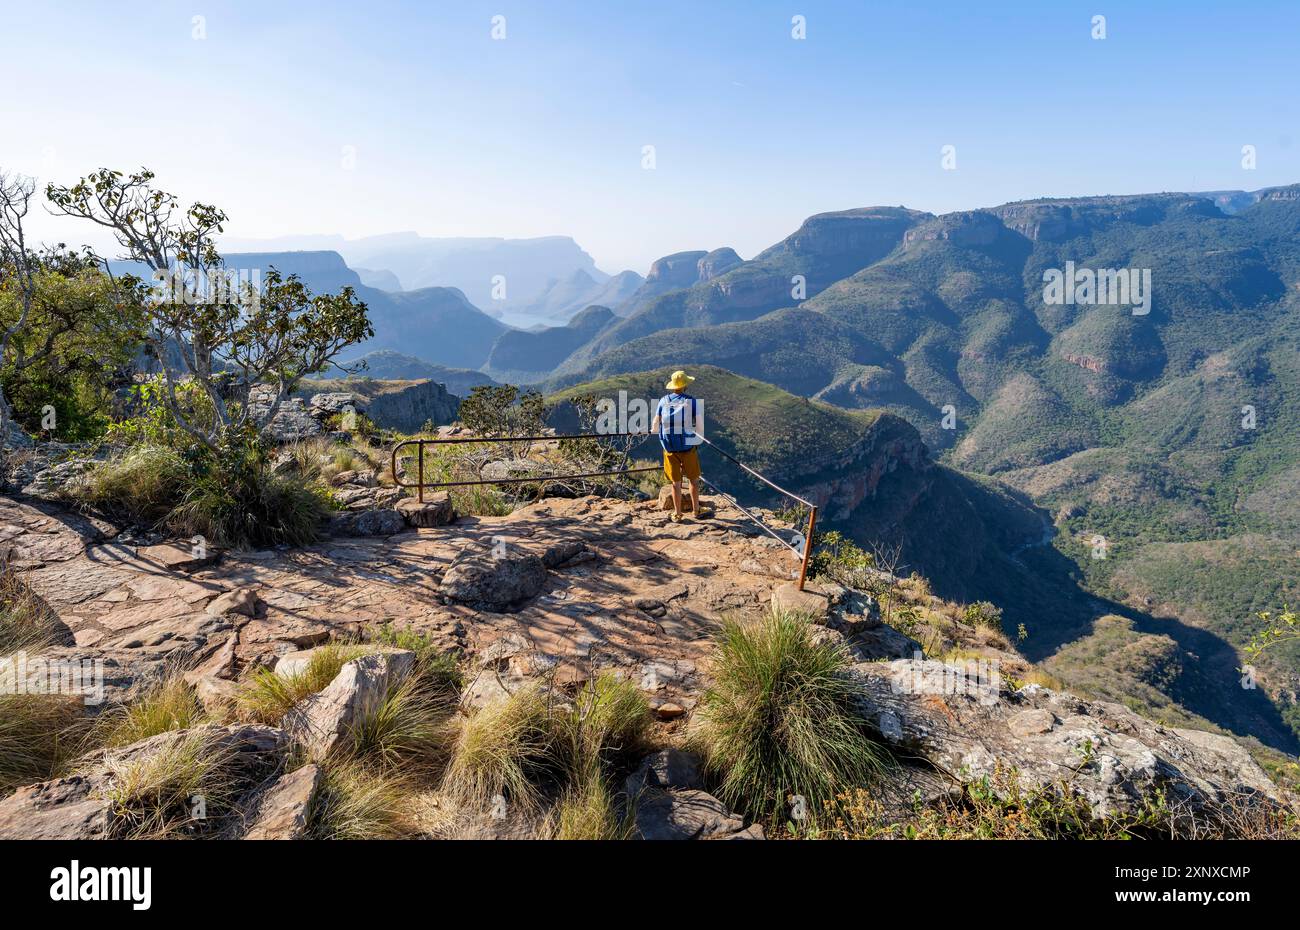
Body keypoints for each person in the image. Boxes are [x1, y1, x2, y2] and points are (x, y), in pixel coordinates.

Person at [651, 370, 708, 523]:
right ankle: (696, 510)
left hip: (669, 448)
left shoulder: (664, 400)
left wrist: (656, 431)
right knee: (693, 480)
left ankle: (677, 514)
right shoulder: (691, 401)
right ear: (685, 386)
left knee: (675, 483)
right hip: (688, 447)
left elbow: (655, 425)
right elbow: (700, 426)